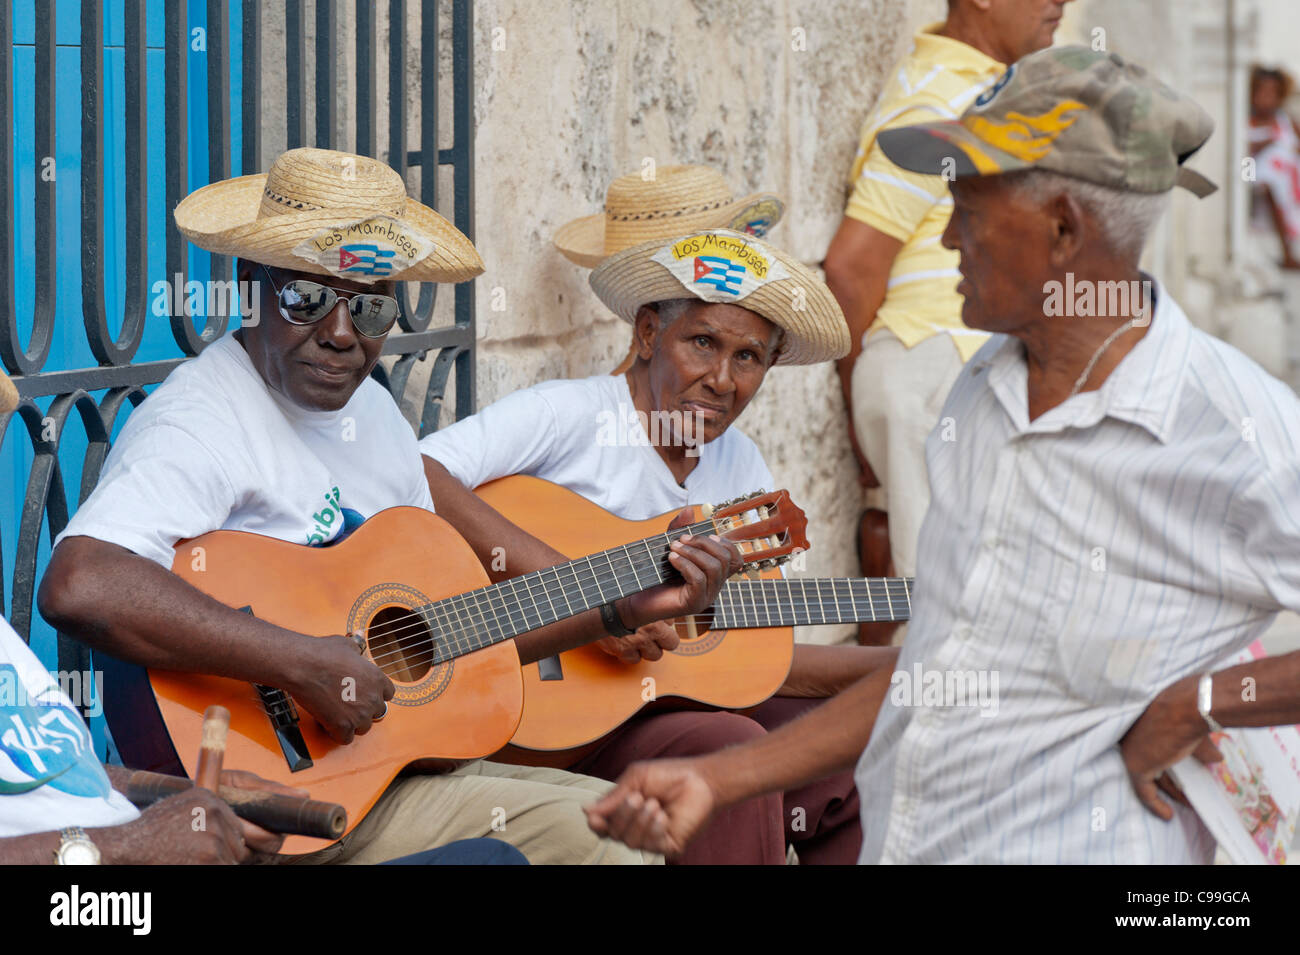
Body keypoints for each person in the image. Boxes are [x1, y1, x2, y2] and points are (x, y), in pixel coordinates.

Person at [586, 48, 1300, 864]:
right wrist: (723, 777)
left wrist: (1203, 701)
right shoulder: (980, 390)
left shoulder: (1230, 424)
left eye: (969, 209)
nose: (951, 236)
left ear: (1064, 228)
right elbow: (937, 663)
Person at [36, 147, 740, 865]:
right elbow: (80, 581)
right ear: (252, 287)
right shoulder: (202, 419)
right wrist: (300, 663)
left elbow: (451, 636)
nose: (343, 333)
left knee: (616, 837)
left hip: (381, 777)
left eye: (371, 304)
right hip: (253, 802)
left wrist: (618, 608)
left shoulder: (373, 414)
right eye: (309, 297)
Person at [422, 228, 897, 864]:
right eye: (702, 342)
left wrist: (910, 669)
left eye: (748, 358)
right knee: (728, 750)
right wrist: (590, 603)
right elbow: (420, 472)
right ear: (648, 335)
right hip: (545, 710)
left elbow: (744, 650)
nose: (722, 379)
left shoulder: (740, 465)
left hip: (667, 699)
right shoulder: (569, 416)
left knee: (866, 756)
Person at [823, 0, 1072, 644]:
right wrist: (860, 414)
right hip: (934, 369)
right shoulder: (943, 98)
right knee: (956, 633)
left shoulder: (981, 88)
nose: (1061, 2)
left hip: (955, 378)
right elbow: (852, 266)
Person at [1247, 65, 1300, 270]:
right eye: (1261, 92)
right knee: (1270, 182)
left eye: (1271, 93)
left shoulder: (1285, 121)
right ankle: (1286, 251)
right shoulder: (1246, 123)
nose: (1265, 98)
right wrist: (1261, 145)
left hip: (1287, 177)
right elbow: (1242, 156)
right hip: (1251, 171)